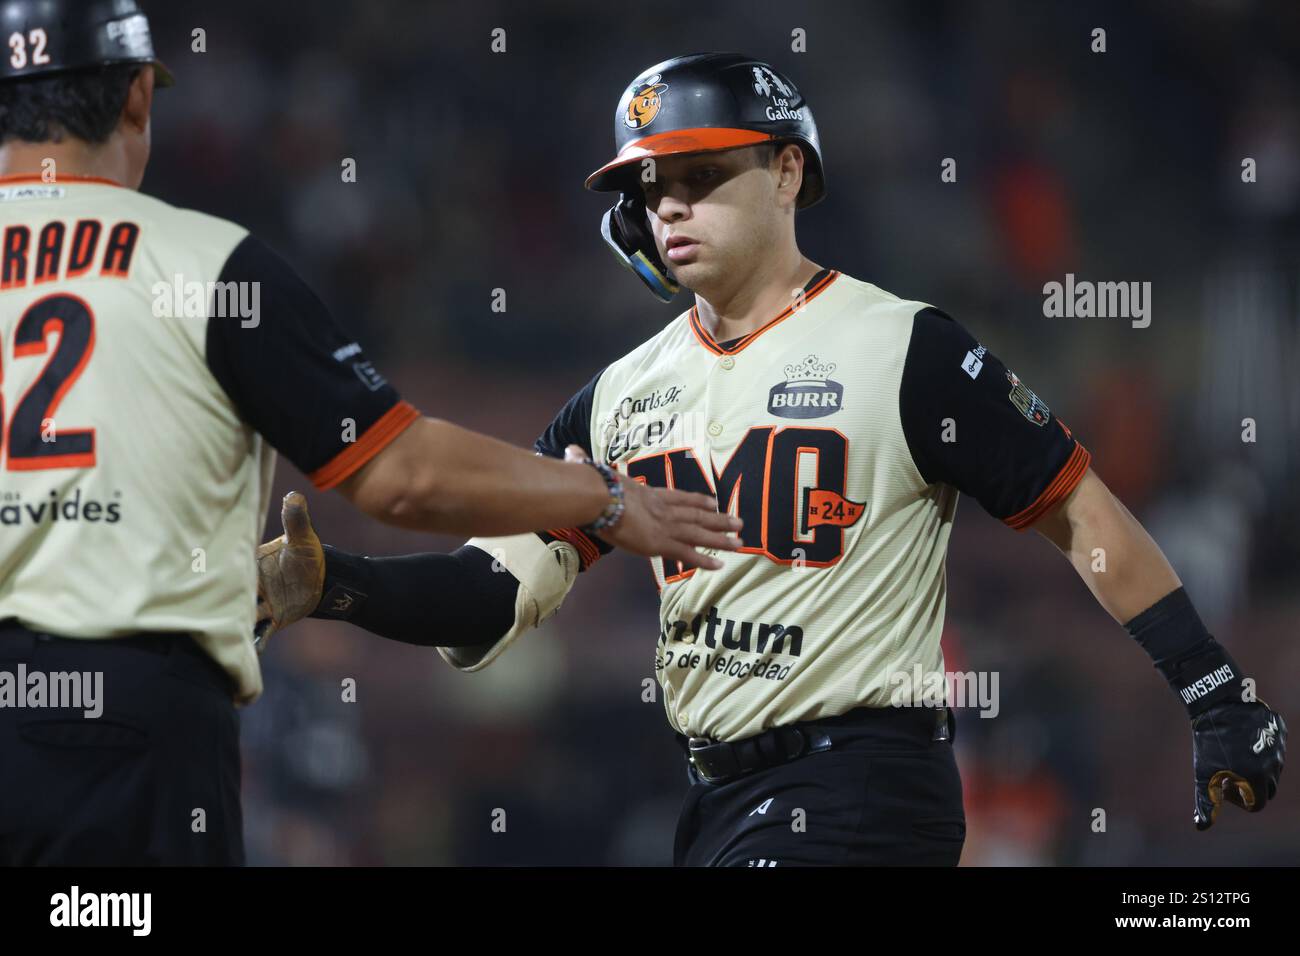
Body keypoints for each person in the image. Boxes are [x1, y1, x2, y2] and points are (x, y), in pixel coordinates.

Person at [255, 52, 1285, 865]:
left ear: (788, 170)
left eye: (701, 175)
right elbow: (488, 591)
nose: (668, 205)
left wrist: (1214, 692)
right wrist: (330, 584)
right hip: (718, 801)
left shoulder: (903, 347)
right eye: (650, 183)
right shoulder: (617, 396)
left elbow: (1080, 513)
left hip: (863, 785)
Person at [0, 5, 739, 866]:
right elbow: (401, 477)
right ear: (136, 98)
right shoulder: (206, 266)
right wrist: (604, 495)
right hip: (125, 728)